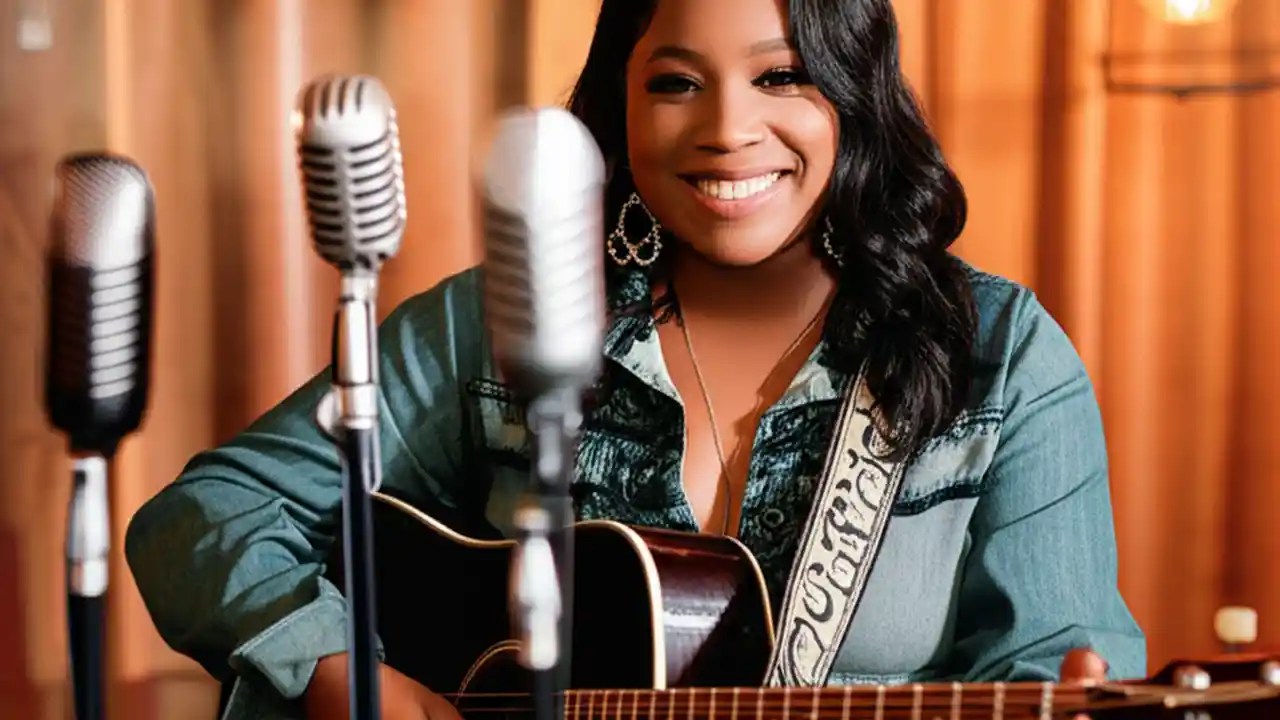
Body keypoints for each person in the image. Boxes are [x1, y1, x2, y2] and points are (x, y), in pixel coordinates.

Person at [124, 0, 1147, 718]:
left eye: (779, 74)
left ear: (852, 94)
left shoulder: (996, 355)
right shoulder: (501, 320)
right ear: (619, 104)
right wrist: (337, 671)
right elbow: (202, 518)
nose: (725, 130)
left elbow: (1044, 665)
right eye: (674, 82)